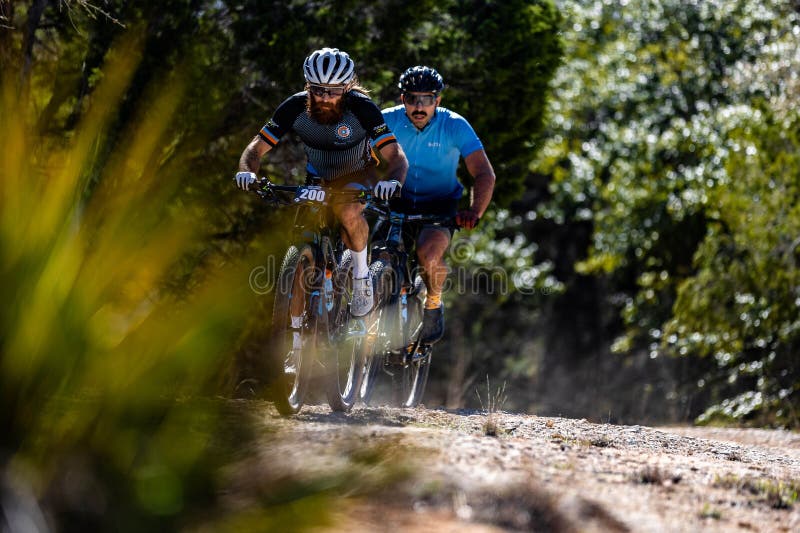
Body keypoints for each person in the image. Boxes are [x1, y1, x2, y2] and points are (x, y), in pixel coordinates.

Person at [235, 47, 408, 317]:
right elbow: (255, 149)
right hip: (318, 179)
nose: (325, 98)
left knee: (348, 212)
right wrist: (247, 171)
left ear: (347, 88)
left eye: (334, 91)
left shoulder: (361, 108)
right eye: (318, 90)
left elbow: (396, 156)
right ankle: (295, 335)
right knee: (303, 229)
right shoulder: (295, 106)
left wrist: (393, 181)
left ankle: (362, 275)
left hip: (358, 174)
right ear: (308, 86)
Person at [380, 66, 496, 344]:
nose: (419, 106)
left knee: (428, 254)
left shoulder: (455, 125)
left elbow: (483, 173)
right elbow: (358, 157)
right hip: (396, 198)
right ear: (401, 99)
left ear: (438, 101)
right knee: (376, 254)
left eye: (427, 99)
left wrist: (473, 212)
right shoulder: (385, 121)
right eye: (412, 99)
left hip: (440, 203)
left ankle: (433, 302)